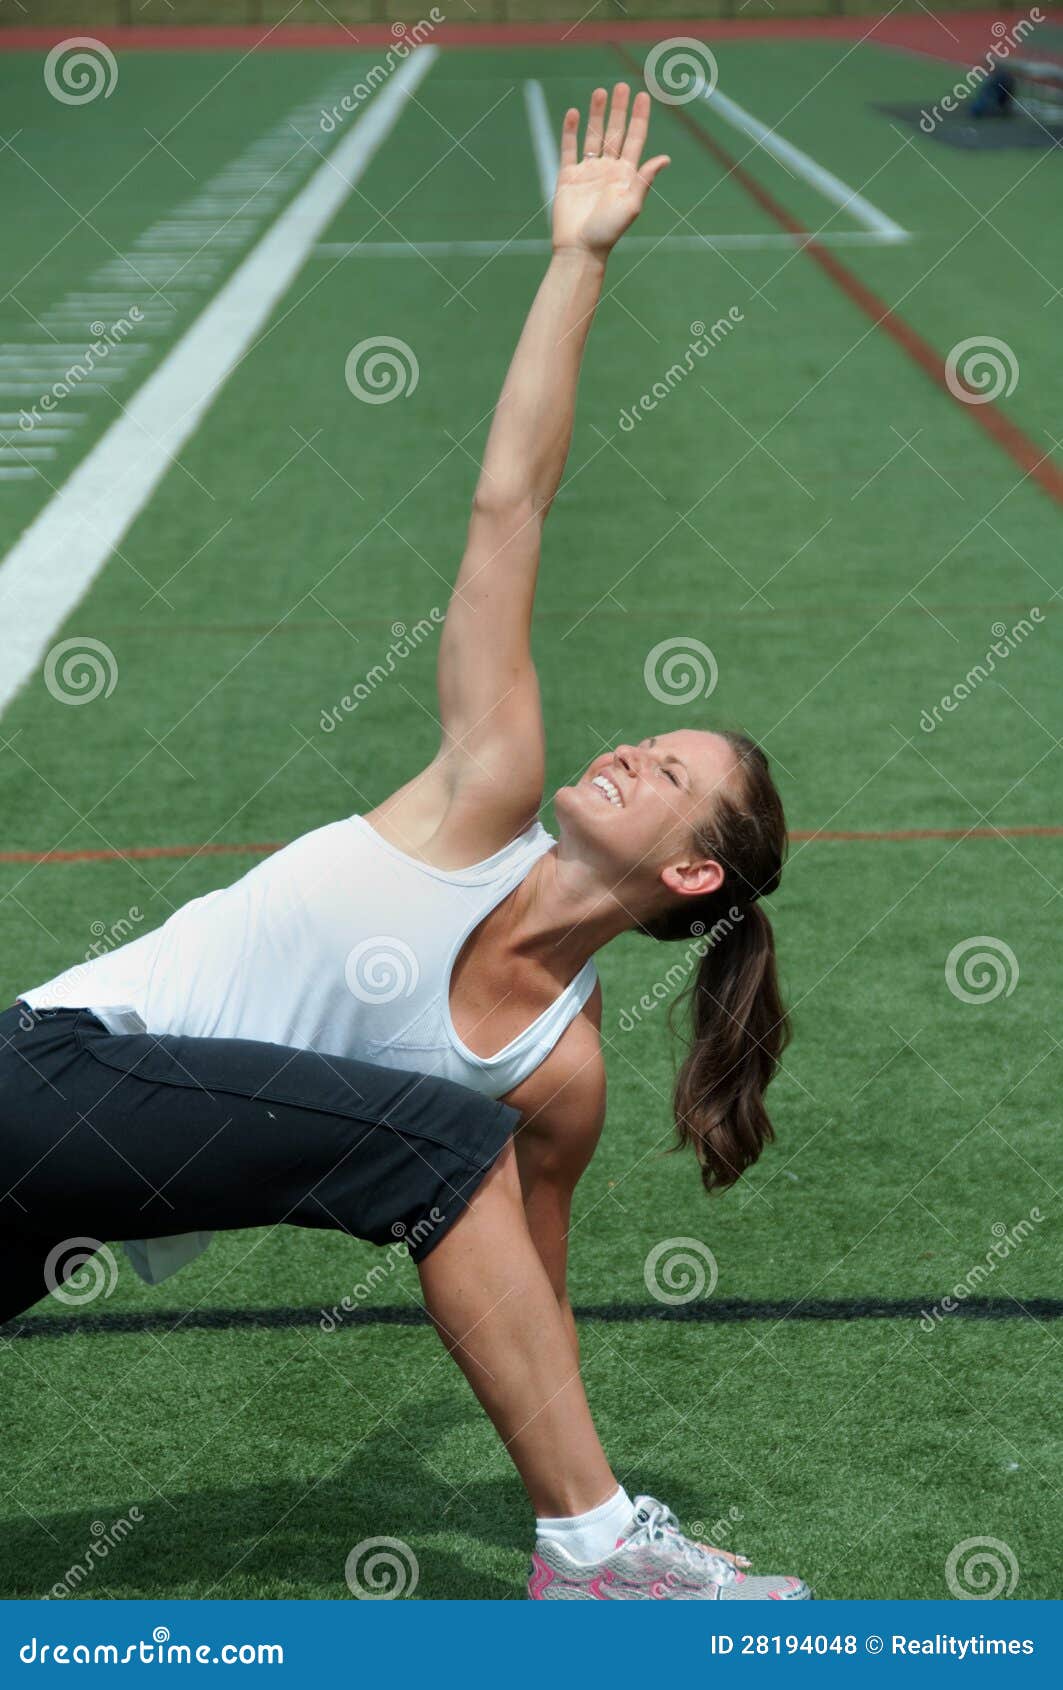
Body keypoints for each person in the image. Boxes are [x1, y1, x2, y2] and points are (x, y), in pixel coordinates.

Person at [1, 85, 807, 1602]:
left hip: (71, 1190)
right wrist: (581, 259)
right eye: (651, 734)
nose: (636, 744)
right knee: (432, 1142)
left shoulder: (559, 1071)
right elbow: (513, 500)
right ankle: (595, 1554)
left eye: (674, 770)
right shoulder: (484, 793)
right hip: (48, 1073)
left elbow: (532, 1305)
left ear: (694, 870)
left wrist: (559, 1451)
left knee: (451, 1146)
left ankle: (587, 1527)